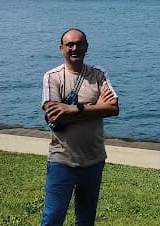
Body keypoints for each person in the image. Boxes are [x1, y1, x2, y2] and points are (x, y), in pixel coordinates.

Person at [40, 28, 119, 226]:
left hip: (93, 160)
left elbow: (113, 108)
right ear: (61, 49)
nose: (75, 48)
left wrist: (73, 110)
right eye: (70, 45)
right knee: (52, 218)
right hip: (62, 160)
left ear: (86, 47)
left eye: (79, 44)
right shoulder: (52, 77)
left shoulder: (98, 75)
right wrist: (96, 108)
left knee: (86, 219)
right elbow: (54, 117)